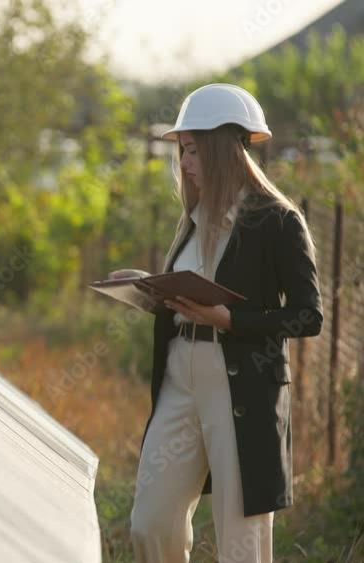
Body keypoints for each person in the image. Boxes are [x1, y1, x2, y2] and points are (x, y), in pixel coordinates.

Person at [108, 83, 324, 563]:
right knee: (150, 523)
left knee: (241, 543)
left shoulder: (279, 221)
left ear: (223, 147)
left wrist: (231, 319)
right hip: (178, 383)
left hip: (241, 388)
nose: (183, 162)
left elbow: (309, 316)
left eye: (191, 150)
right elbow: (192, 293)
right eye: (181, 150)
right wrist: (150, 289)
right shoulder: (195, 215)